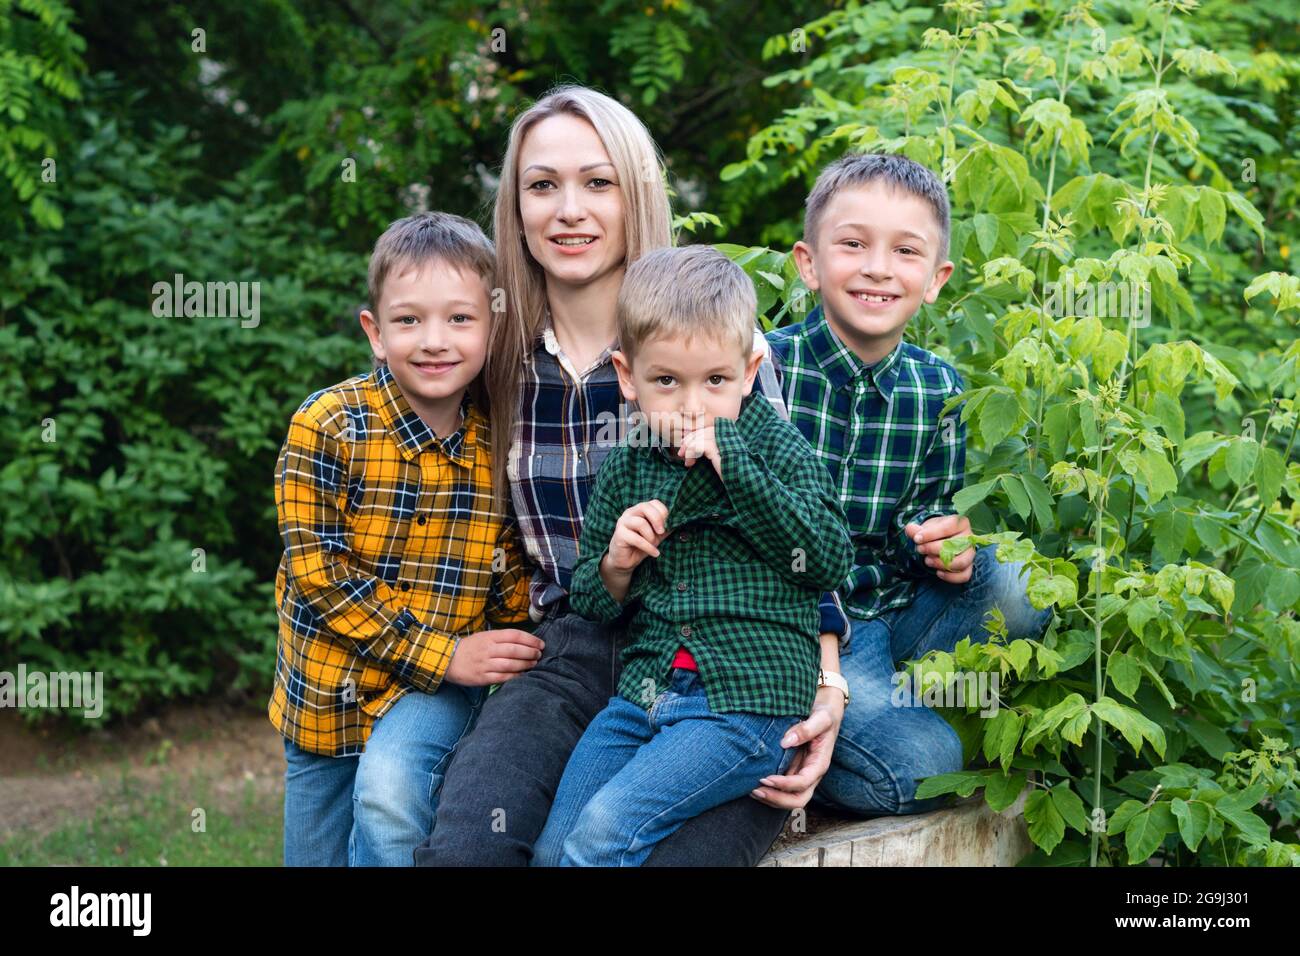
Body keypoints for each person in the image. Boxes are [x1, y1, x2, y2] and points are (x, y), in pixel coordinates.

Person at [414, 86, 850, 867]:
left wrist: (828, 688)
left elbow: (804, 534)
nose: (569, 209)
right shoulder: (492, 353)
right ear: (516, 208)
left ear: (636, 192)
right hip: (576, 645)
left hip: (733, 657)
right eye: (542, 186)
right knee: (472, 848)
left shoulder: (718, 346)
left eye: (598, 182)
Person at [768, 153, 1055, 816]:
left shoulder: (940, 389)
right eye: (853, 244)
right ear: (808, 263)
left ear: (934, 279)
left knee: (1019, 579)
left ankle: (878, 713)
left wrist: (941, 545)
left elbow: (923, 524)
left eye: (905, 251)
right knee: (923, 768)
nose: (877, 268)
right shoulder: (763, 369)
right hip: (794, 627)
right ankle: (816, 735)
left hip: (890, 618)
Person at [271, 212, 542, 866]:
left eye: (459, 318)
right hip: (325, 704)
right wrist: (443, 652)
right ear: (375, 331)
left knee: (391, 801)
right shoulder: (329, 425)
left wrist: (517, 637)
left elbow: (507, 573)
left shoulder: (498, 445)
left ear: (491, 326)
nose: (434, 341)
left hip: (436, 694)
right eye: (409, 320)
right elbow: (321, 578)